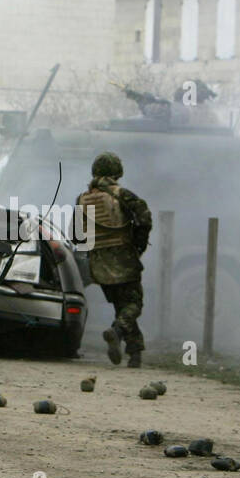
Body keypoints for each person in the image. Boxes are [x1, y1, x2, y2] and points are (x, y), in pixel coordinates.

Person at [76, 152, 152, 367]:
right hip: (123, 256)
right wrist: (139, 245)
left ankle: (134, 353)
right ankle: (116, 331)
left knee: (122, 306)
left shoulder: (82, 198)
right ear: (117, 172)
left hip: (98, 262)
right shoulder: (122, 195)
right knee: (134, 304)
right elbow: (144, 218)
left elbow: (77, 235)